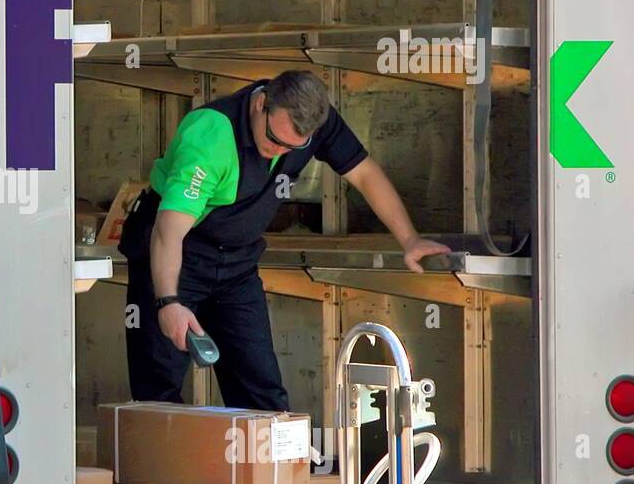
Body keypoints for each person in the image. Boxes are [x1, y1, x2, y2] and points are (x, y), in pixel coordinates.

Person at [119, 70, 450, 410]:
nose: (278, 152)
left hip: (237, 261)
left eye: (293, 147)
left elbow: (364, 173)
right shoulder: (211, 135)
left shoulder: (311, 119)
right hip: (173, 251)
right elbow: (169, 229)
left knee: (262, 392)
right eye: (274, 140)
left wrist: (409, 239)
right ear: (261, 104)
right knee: (157, 393)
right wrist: (168, 302)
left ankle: (266, 463)